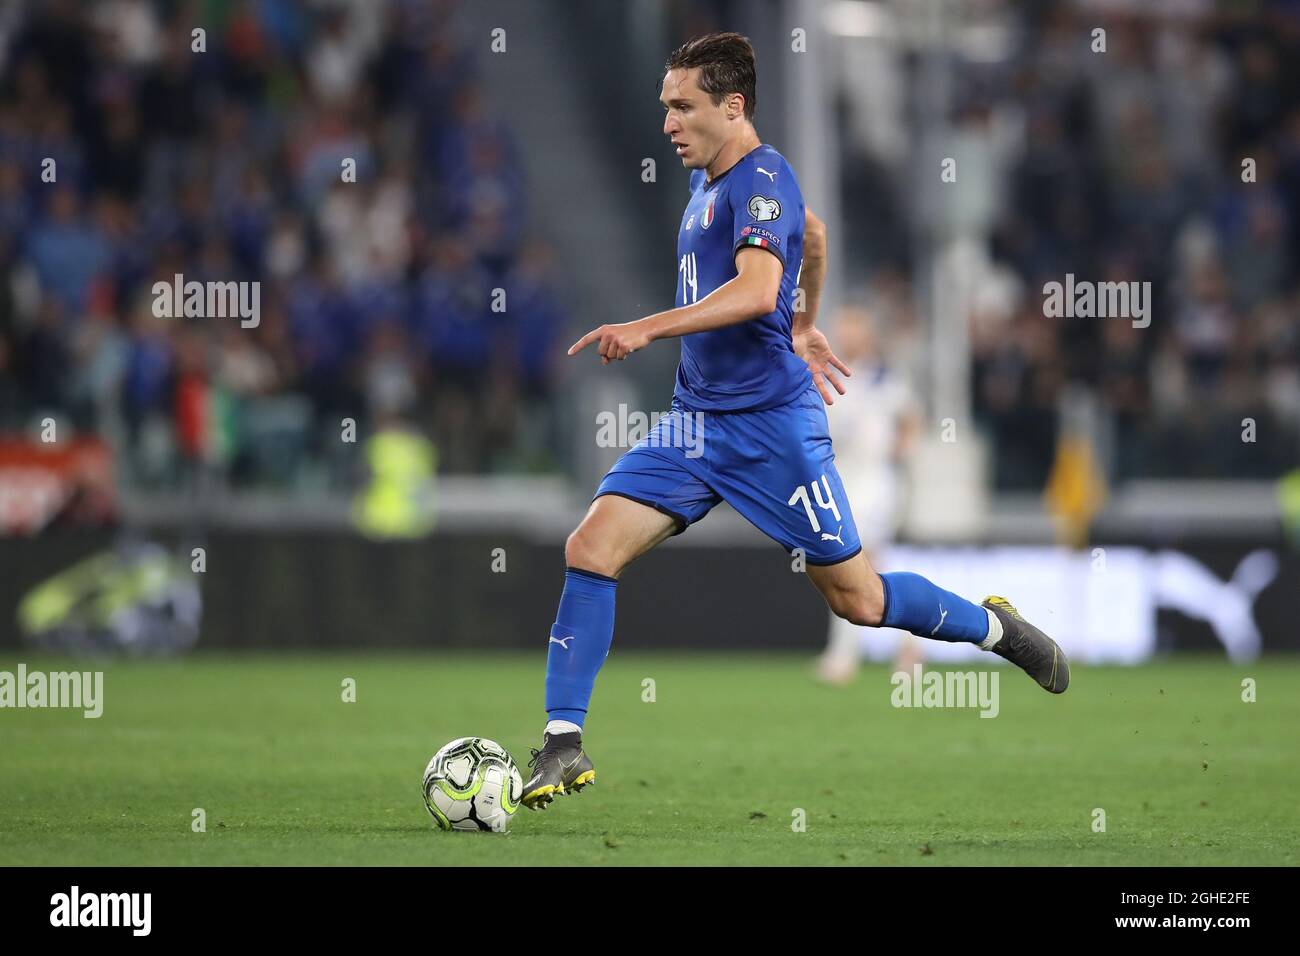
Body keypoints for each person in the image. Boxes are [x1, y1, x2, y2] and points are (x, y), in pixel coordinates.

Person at [522, 33, 1068, 811]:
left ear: (732, 106)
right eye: (665, 107)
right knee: (591, 546)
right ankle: (563, 743)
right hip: (696, 423)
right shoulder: (706, 181)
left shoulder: (762, 176)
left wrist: (652, 326)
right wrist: (806, 321)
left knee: (860, 601)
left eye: (683, 106)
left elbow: (751, 290)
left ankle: (993, 629)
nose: (669, 122)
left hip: (772, 429)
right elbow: (813, 238)